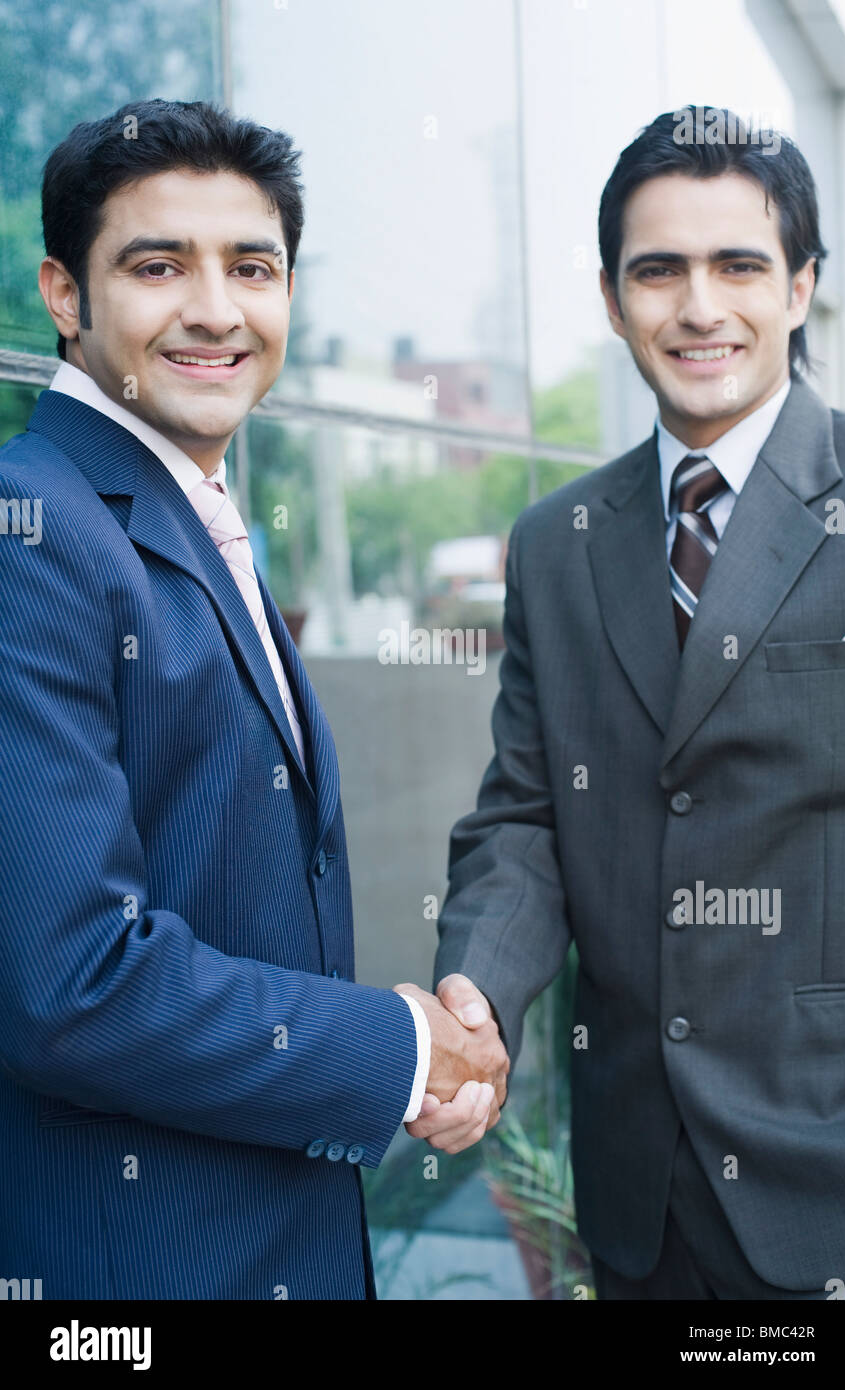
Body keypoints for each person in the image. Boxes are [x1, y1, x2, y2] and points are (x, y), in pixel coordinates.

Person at [0, 97, 507, 1301]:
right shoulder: (34, 535)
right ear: (65, 295)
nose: (217, 310)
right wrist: (397, 1047)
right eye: (158, 264)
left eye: (253, 267)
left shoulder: (178, 513)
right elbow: (68, 983)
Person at [413, 105, 845, 1300]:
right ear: (613, 301)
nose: (698, 306)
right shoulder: (556, 545)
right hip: (638, 1192)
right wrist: (477, 996)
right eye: (657, 270)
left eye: (738, 266)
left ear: (801, 286)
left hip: (838, 1173)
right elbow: (524, 817)